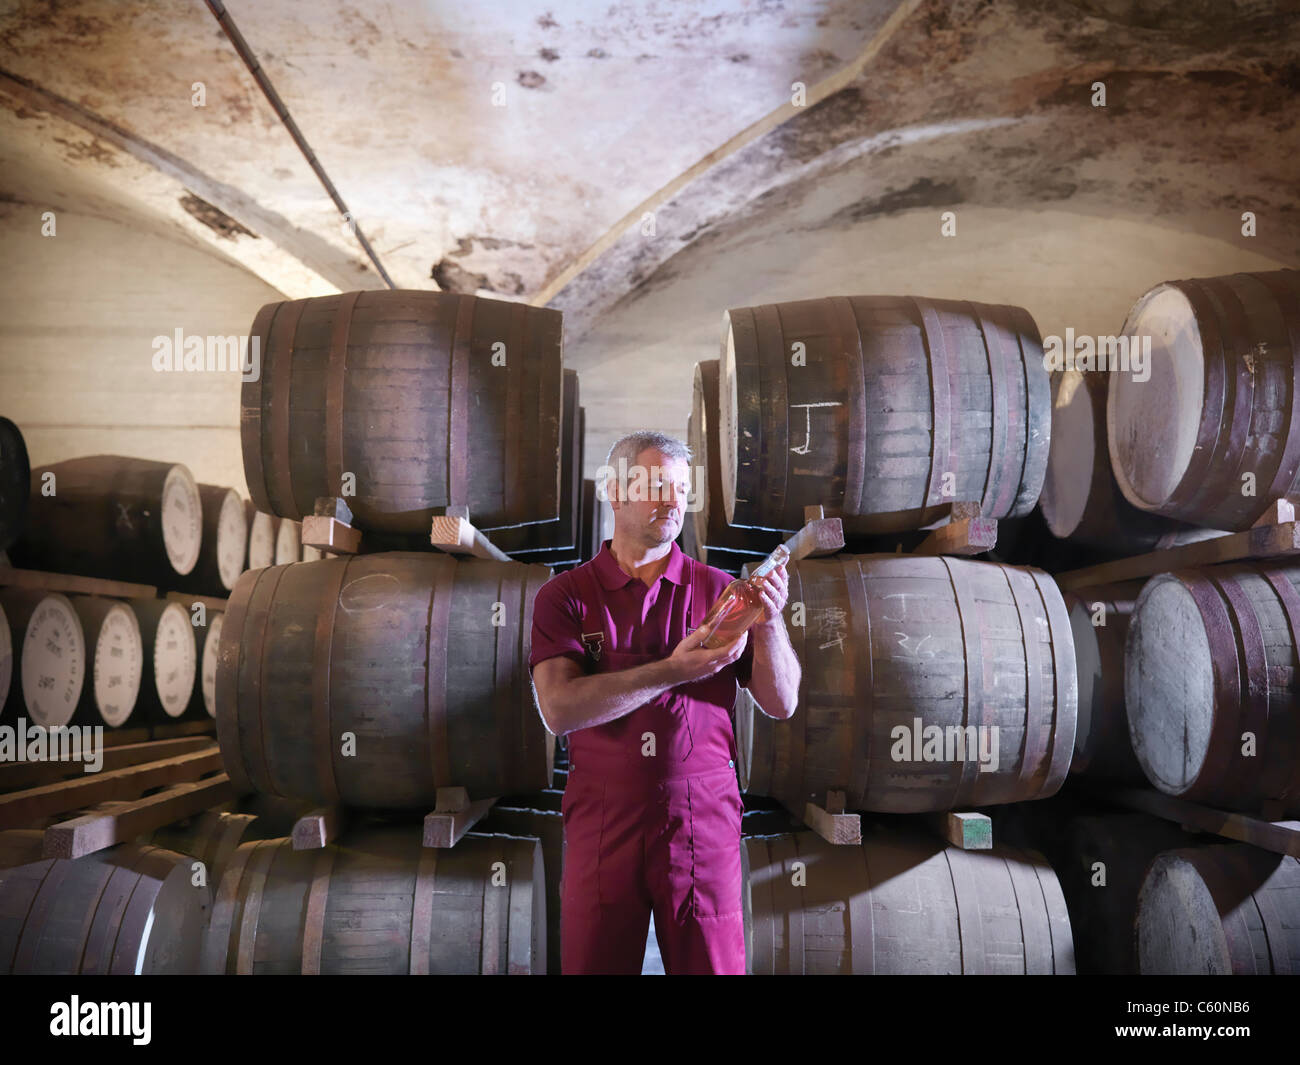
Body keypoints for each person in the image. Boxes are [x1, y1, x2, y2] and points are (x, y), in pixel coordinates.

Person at [529, 431, 800, 975]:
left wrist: (770, 624)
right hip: (604, 816)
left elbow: (783, 702)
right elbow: (559, 708)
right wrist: (673, 671)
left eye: (681, 489)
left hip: (703, 815)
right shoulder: (565, 597)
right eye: (657, 487)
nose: (674, 503)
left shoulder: (719, 591)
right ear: (615, 492)